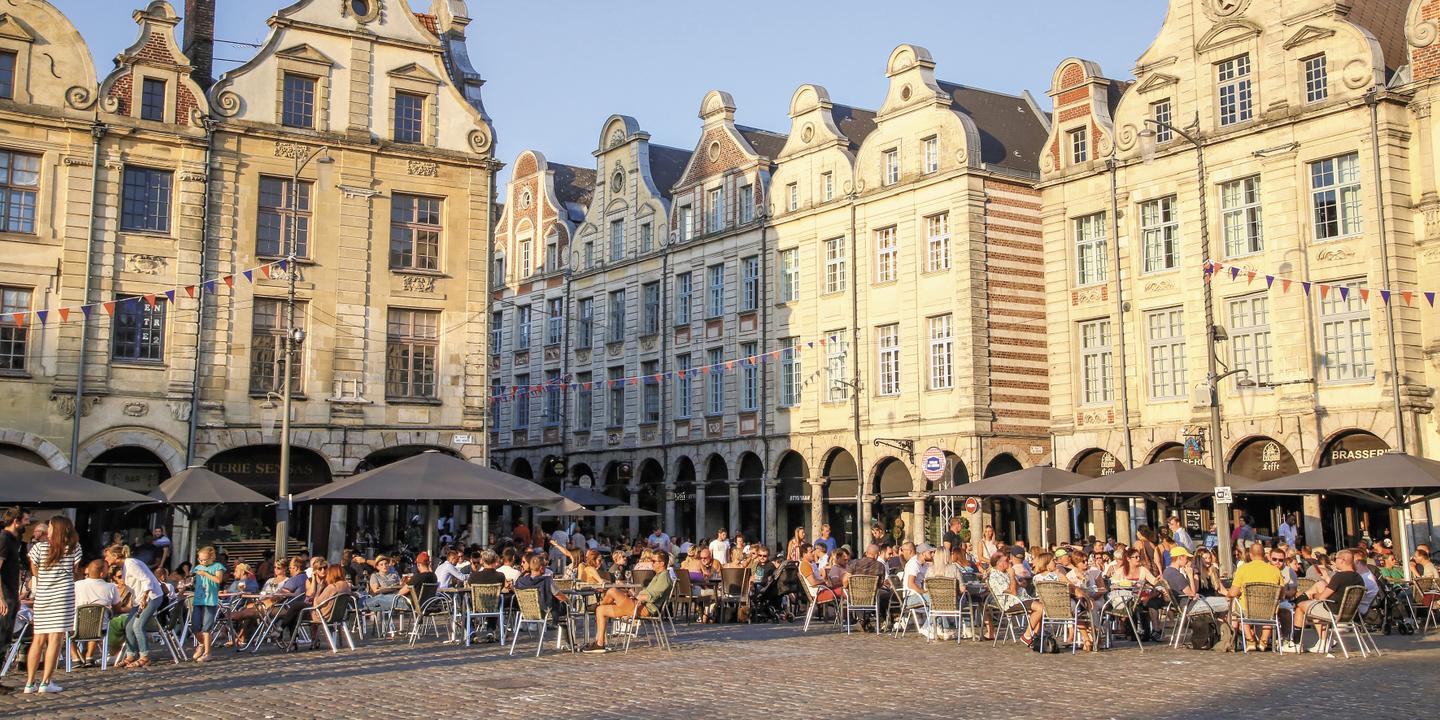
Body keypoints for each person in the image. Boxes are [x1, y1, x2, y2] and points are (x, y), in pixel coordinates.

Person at [24, 516, 82, 694]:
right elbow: (75, 571)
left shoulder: (39, 547)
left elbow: (33, 567)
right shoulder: (73, 548)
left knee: (38, 639)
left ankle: (29, 683)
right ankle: (46, 681)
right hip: (63, 596)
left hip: (43, 596)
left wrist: (42, 578)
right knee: (55, 639)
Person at [582, 552, 671, 653]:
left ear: (662, 563)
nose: (651, 563)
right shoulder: (658, 576)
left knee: (612, 591)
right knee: (601, 610)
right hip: (637, 605)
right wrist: (630, 593)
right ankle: (599, 643)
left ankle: (600, 603)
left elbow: (651, 596)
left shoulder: (664, 577)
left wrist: (636, 596)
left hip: (644, 609)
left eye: (654, 561)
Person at [1295, 548, 1365, 655]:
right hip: (1350, 614)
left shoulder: (1339, 576)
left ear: (1342, 560)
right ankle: (1323, 642)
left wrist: (1314, 596)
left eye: (1336, 559)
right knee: (1320, 586)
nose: (1334, 561)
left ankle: (1296, 643)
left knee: (1301, 606)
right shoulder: (1359, 578)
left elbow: (1322, 597)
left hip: (1333, 611)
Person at [1227, 543, 1283, 650]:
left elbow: (1233, 593)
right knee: (1271, 612)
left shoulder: (1243, 569)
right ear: (1264, 555)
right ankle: (1264, 641)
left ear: (1251, 555)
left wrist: (1228, 595)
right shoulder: (1275, 570)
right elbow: (1282, 593)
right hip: (1268, 609)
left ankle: (1250, 640)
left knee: (1239, 610)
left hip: (1248, 609)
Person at [71, 559, 123, 667]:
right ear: (102, 573)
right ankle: (89, 656)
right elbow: (117, 608)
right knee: (96, 622)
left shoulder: (77, 585)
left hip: (77, 627)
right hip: (101, 628)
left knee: (67, 630)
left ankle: (75, 657)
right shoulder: (111, 587)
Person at [0, 507, 27, 695]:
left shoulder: (14, 541)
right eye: (25, 520)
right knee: (0, 638)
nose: (28, 523)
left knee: (5, 640)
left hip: (11, 595)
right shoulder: (3, 539)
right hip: (4, 597)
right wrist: (0, 598)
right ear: (16, 521)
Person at [190, 546, 226, 662]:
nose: (202, 562)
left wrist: (205, 574)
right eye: (200, 560)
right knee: (195, 626)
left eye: (205, 560)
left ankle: (207, 653)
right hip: (198, 600)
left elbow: (218, 580)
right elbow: (192, 581)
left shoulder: (217, 567)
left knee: (206, 628)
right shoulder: (198, 567)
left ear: (212, 558)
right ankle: (202, 644)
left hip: (210, 601)